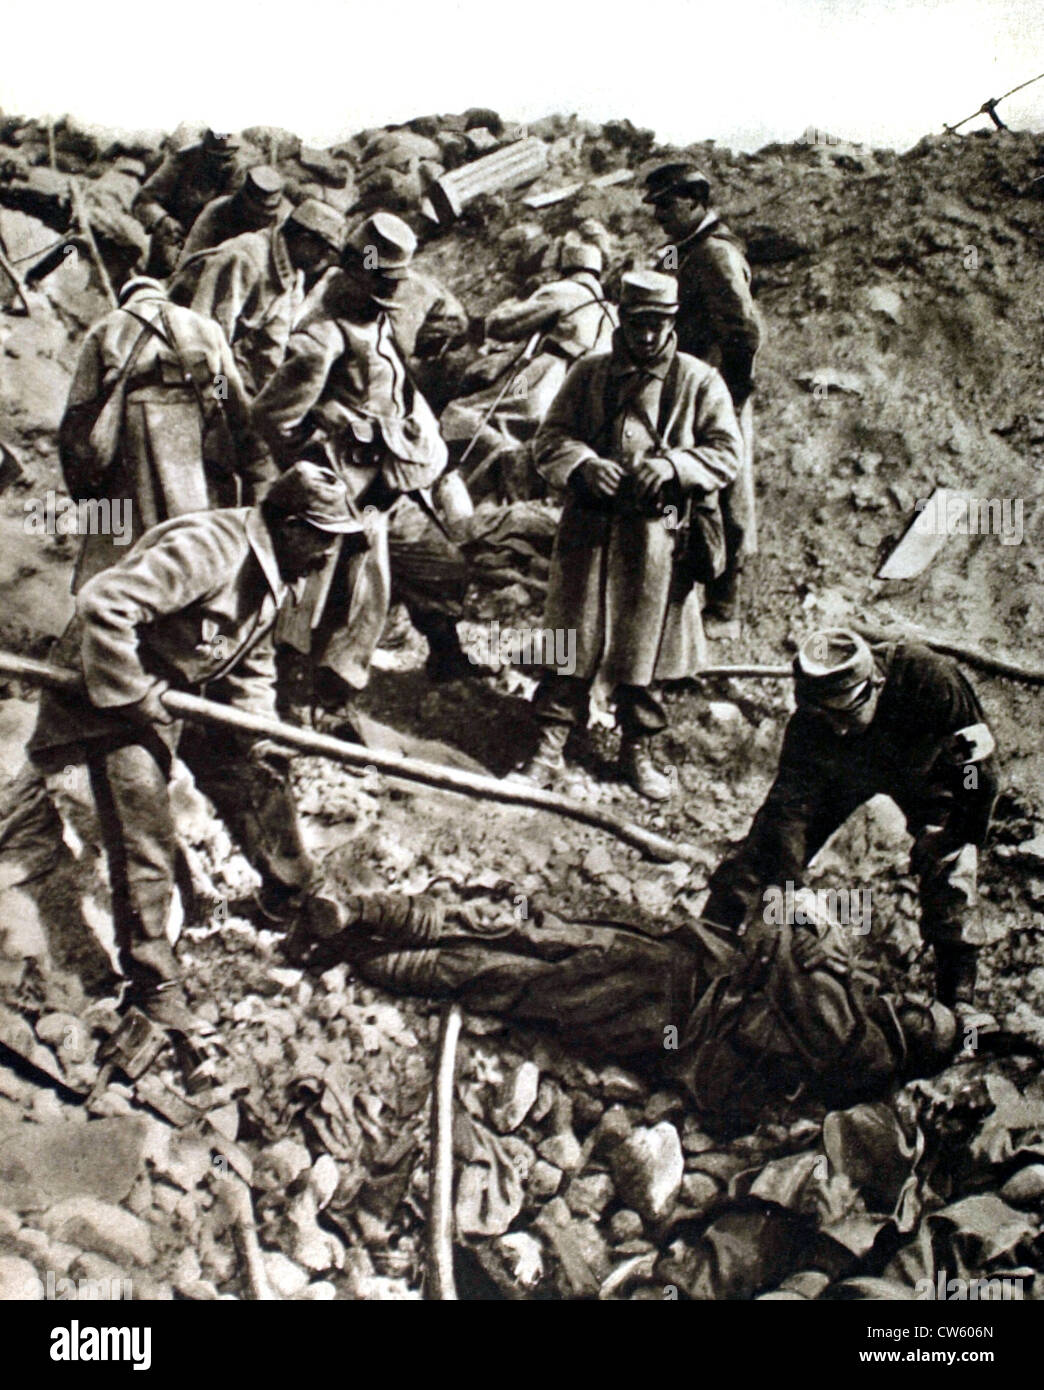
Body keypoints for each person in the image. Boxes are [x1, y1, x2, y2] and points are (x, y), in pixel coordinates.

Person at [25, 463, 363, 1026]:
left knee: (258, 776)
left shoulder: (280, 569)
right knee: (146, 830)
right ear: (291, 525)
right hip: (107, 693)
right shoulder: (210, 547)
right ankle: (154, 984)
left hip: (180, 690)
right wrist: (134, 694)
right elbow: (103, 604)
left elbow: (250, 662)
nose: (329, 553)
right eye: (324, 537)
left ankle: (292, 897)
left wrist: (259, 732)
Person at [285, 885, 964, 1133]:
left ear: (917, 1049)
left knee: (519, 976)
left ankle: (358, 949)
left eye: (926, 1018)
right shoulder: (863, 1016)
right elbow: (783, 941)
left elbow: (787, 945)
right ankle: (367, 916)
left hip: (673, 1014)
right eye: (925, 1002)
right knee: (535, 938)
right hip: (681, 973)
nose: (912, 1003)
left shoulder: (860, 1047)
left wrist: (805, 935)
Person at [515, 270, 743, 801]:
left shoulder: (699, 382)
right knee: (571, 640)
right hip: (589, 531)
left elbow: (727, 454)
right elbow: (549, 438)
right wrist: (583, 465)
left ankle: (637, 750)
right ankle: (549, 746)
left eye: (658, 325)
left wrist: (675, 466)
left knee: (649, 651)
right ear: (622, 319)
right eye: (638, 324)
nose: (646, 336)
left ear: (672, 323)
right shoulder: (590, 374)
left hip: (660, 537)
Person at [252, 211, 479, 710]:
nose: (384, 300)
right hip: (347, 490)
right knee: (331, 598)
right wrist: (317, 470)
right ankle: (306, 699)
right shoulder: (324, 336)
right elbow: (272, 415)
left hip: (394, 479)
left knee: (430, 571)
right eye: (377, 286)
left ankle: (437, 659)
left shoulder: (372, 319)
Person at [703, 628, 1000, 1007]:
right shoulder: (815, 725)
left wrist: (953, 835)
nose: (838, 726)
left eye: (845, 713)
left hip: (923, 772)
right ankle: (707, 944)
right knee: (763, 852)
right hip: (843, 772)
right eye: (826, 716)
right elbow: (788, 811)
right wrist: (793, 888)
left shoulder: (930, 680)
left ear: (875, 685)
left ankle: (959, 1000)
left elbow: (979, 777)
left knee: (952, 867)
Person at [57, 276, 273, 592]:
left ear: (127, 300)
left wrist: (82, 481)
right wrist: (248, 451)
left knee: (120, 533)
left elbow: (80, 407)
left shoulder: (109, 326)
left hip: (131, 429)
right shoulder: (204, 327)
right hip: (191, 430)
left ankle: (103, 601)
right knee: (187, 530)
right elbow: (227, 390)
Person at [644, 162, 763, 632]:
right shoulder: (683, 250)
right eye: (655, 206)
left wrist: (729, 399)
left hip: (716, 391)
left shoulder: (715, 254)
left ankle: (723, 604)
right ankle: (684, 588)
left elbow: (743, 331)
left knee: (724, 492)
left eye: (667, 204)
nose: (659, 214)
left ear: (696, 200)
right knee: (684, 487)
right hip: (683, 388)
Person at [440, 240, 616, 499]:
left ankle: (499, 459)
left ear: (564, 268)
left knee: (462, 413)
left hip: (545, 380)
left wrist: (514, 304)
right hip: (589, 395)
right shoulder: (612, 311)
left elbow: (500, 326)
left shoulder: (563, 290)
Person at [170, 199, 344, 395]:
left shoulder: (293, 278)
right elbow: (205, 335)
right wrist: (222, 396)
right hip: (173, 340)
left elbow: (271, 350)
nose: (323, 259)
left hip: (213, 352)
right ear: (303, 238)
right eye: (322, 249)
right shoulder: (246, 259)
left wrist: (266, 403)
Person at [133, 129, 244, 275]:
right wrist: (163, 220)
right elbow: (144, 199)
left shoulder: (238, 171)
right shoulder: (183, 160)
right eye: (217, 157)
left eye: (228, 156)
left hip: (212, 253)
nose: (223, 163)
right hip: (172, 247)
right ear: (205, 150)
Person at [176, 165, 287, 265]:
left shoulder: (280, 226)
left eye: (264, 215)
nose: (257, 219)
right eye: (252, 212)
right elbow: (191, 254)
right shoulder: (218, 209)